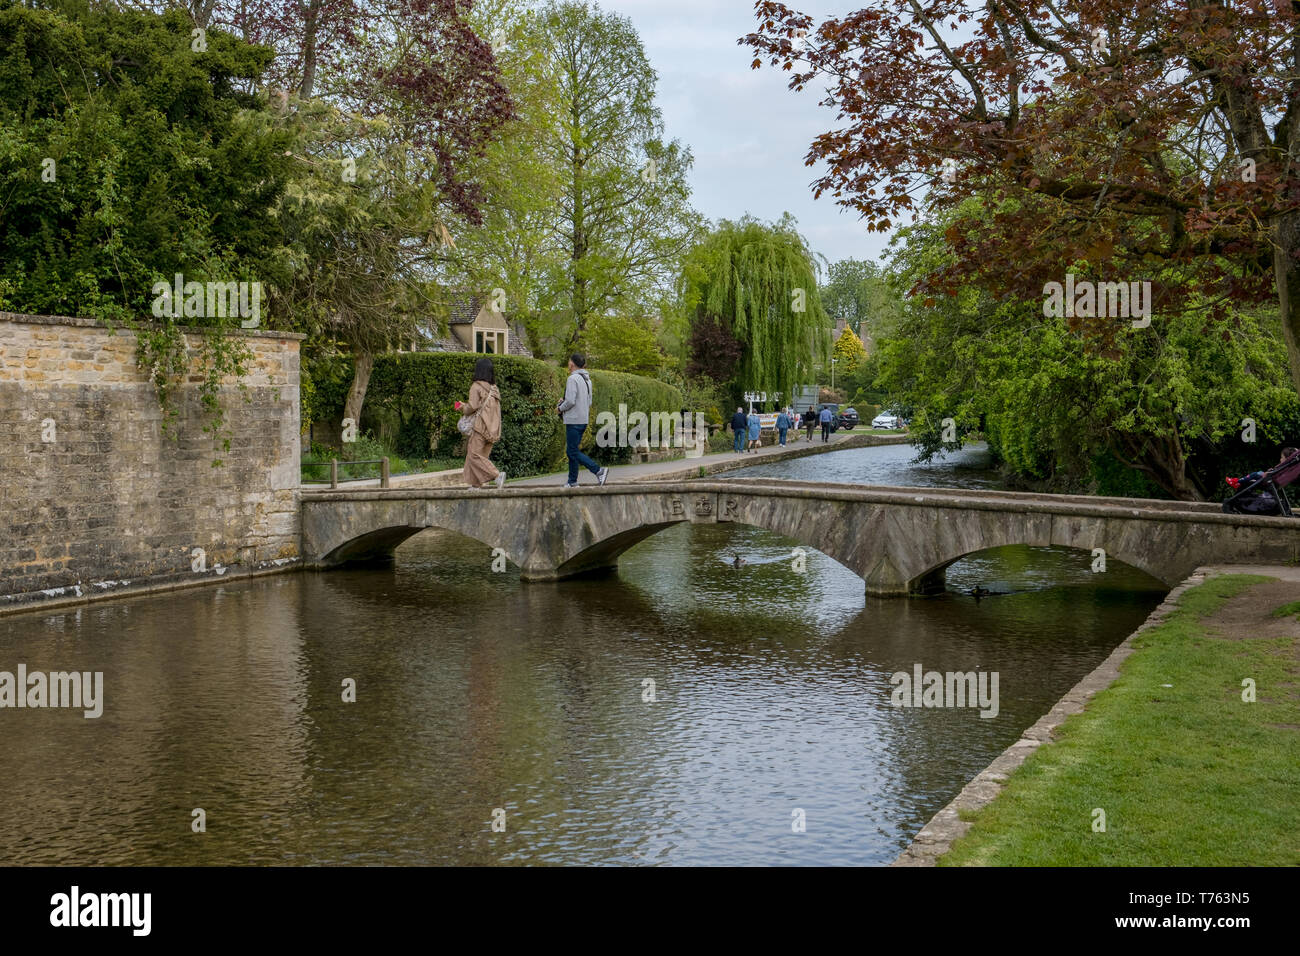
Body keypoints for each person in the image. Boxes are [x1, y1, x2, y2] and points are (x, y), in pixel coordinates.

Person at [556, 352, 608, 489]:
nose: (568, 364)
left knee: (572, 452)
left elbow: (571, 401)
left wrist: (560, 408)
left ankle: (598, 470)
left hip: (573, 420)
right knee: (573, 451)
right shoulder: (587, 380)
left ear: (572, 363)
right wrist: (565, 401)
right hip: (583, 419)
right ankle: (572, 481)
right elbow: (587, 401)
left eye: (569, 362)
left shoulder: (572, 379)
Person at [459, 357, 505, 489]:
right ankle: (476, 485)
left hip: (480, 426)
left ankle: (497, 475)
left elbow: (472, 406)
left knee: (473, 455)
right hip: (493, 429)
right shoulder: (494, 389)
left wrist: (462, 406)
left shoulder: (476, 386)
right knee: (481, 457)